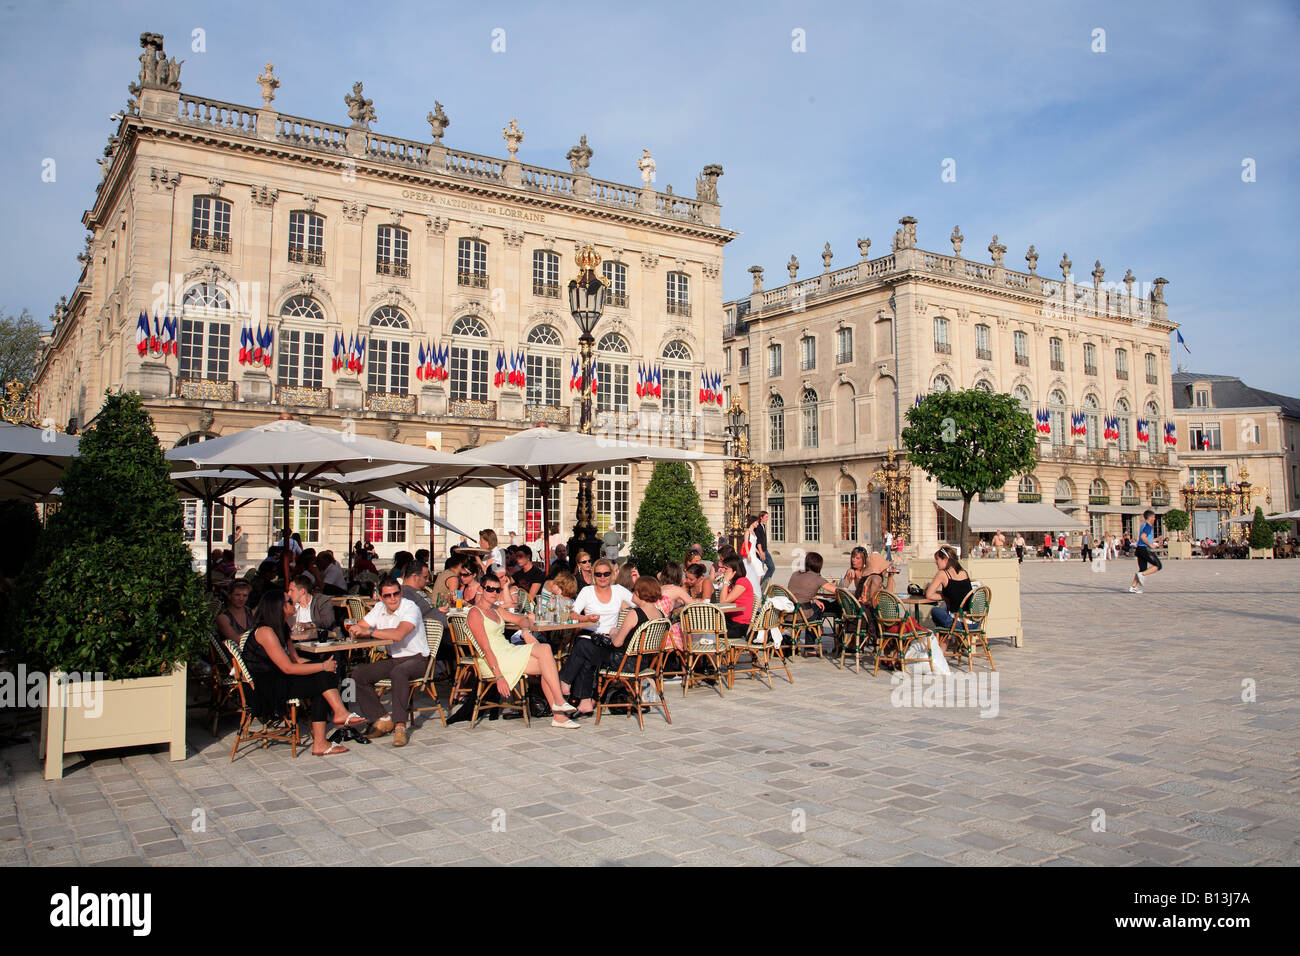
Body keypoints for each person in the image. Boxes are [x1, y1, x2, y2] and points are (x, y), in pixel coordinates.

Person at [241, 591, 364, 756]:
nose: (294, 604)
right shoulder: (265, 632)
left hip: (280, 678)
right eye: (290, 602)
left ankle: (333, 724)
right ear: (279, 607)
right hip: (265, 689)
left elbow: (297, 660)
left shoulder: (281, 627)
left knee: (326, 675)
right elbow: (288, 668)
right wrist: (321, 666)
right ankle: (333, 723)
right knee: (322, 677)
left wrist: (323, 666)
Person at [465, 571, 577, 727]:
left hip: (507, 651)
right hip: (494, 659)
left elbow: (520, 618)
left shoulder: (496, 609)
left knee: (545, 654)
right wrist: (499, 677)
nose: (494, 593)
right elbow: (486, 649)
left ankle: (558, 708)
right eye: (490, 589)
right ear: (482, 589)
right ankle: (559, 710)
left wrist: (525, 631)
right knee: (547, 659)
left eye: (497, 590)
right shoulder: (475, 613)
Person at [347, 577, 428, 747]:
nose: (392, 598)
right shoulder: (379, 608)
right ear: (380, 597)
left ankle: (400, 726)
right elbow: (360, 626)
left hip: (417, 658)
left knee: (398, 672)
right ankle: (382, 718)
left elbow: (399, 634)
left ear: (401, 593)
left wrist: (368, 630)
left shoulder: (410, 608)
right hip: (394, 659)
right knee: (358, 675)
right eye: (388, 595)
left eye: (396, 594)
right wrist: (354, 629)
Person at [560, 558, 634, 714]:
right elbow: (570, 614)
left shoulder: (619, 590)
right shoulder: (587, 591)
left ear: (612, 574)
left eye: (606, 573)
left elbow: (638, 603)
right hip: (589, 635)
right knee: (585, 650)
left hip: (608, 640)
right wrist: (585, 618)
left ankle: (565, 680)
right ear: (593, 575)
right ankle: (585, 702)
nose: (602, 577)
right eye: (598, 574)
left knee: (582, 648)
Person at [924, 545, 972, 650]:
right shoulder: (964, 572)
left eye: (937, 560)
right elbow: (958, 593)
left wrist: (943, 596)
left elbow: (929, 595)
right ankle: (948, 641)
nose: (936, 562)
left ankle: (944, 644)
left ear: (945, 560)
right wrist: (946, 595)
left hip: (959, 623)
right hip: (973, 621)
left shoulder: (943, 574)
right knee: (945, 610)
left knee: (936, 611)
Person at [717, 554, 756, 643]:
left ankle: (712, 655)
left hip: (740, 625)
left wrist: (725, 581)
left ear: (735, 570)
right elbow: (722, 602)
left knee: (713, 632)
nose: (723, 571)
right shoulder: (732, 584)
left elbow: (723, 601)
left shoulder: (742, 581)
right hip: (730, 621)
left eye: (726, 569)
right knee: (707, 626)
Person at [287, 574, 338, 639]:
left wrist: (308, 625)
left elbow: (328, 621)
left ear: (302, 591)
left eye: (292, 590)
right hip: (296, 643)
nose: (288, 593)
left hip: (320, 641)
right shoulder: (291, 606)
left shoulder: (322, 601)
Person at [1129, 509, 1163, 594]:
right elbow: (1143, 537)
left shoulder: (1143, 525)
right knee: (1158, 565)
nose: (1155, 519)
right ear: (1150, 517)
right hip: (1144, 549)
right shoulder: (1148, 526)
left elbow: (1143, 538)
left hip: (1139, 549)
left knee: (1143, 569)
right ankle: (1142, 575)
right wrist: (1151, 545)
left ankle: (1133, 587)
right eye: (1154, 517)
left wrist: (1156, 539)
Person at [216, 580, 253, 647]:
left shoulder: (251, 613)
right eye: (237, 595)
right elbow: (236, 640)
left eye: (245, 595)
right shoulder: (223, 618)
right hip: (234, 654)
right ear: (230, 596)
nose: (241, 599)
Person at [741, 515, 764, 595]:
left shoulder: (753, 532)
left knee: (758, 570)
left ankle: (755, 587)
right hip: (750, 554)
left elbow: (753, 545)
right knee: (757, 568)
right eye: (757, 522)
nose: (758, 524)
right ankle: (755, 588)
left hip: (753, 553)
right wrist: (748, 555)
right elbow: (746, 544)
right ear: (753, 522)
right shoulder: (747, 532)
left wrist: (759, 553)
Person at [756, 510, 775, 590]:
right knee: (760, 571)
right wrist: (761, 552)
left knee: (772, 567)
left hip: (765, 550)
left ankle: (763, 583)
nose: (767, 518)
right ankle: (759, 587)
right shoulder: (758, 527)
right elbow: (758, 541)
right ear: (761, 517)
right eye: (766, 517)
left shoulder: (763, 526)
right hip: (761, 551)